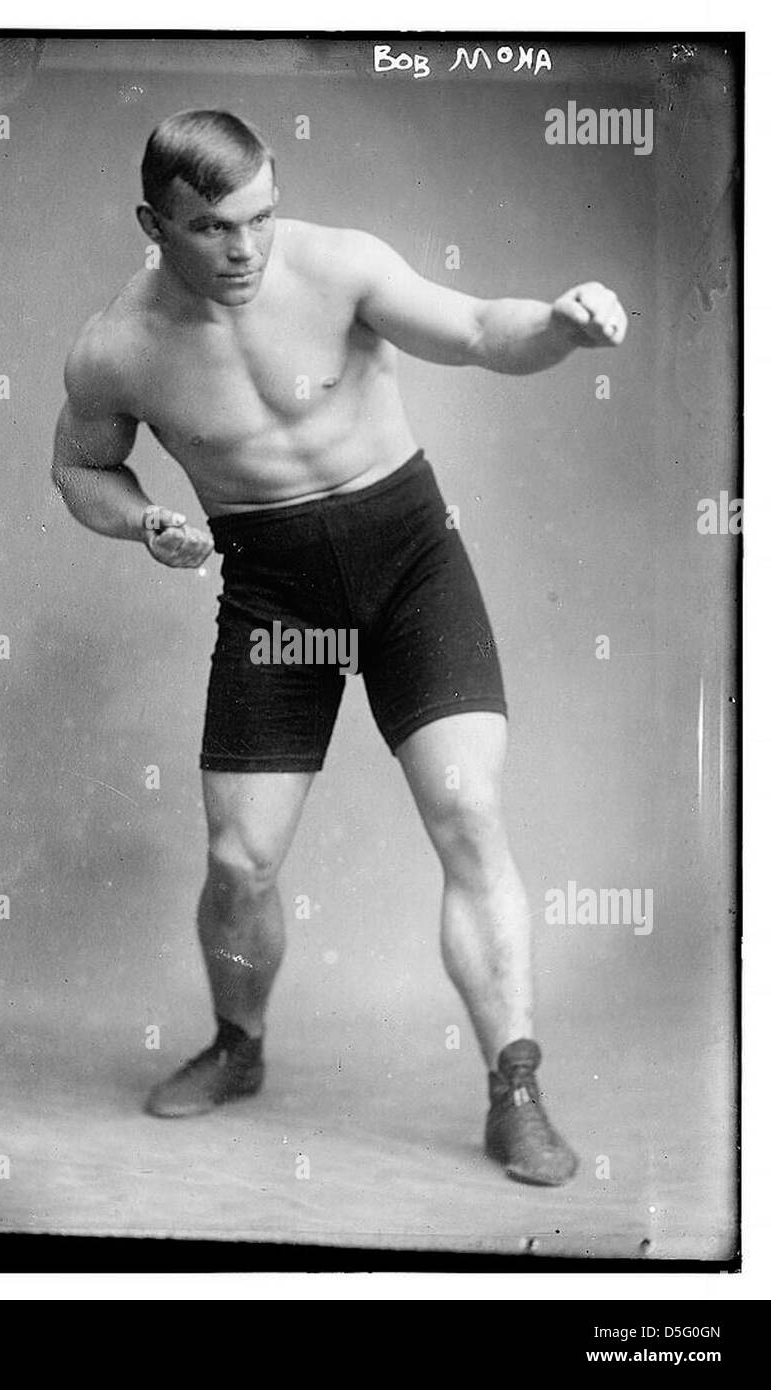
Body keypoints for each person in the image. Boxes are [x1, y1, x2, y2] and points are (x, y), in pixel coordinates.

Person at [51, 109, 627, 1186]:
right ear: (153, 223)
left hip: (410, 565)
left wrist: (556, 325)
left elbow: (472, 328)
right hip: (273, 597)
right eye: (214, 227)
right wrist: (140, 522)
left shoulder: (341, 266)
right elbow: (81, 469)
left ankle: (514, 1086)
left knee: (465, 810)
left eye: (262, 217)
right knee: (240, 860)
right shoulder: (114, 347)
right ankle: (238, 1044)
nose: (246, 250)